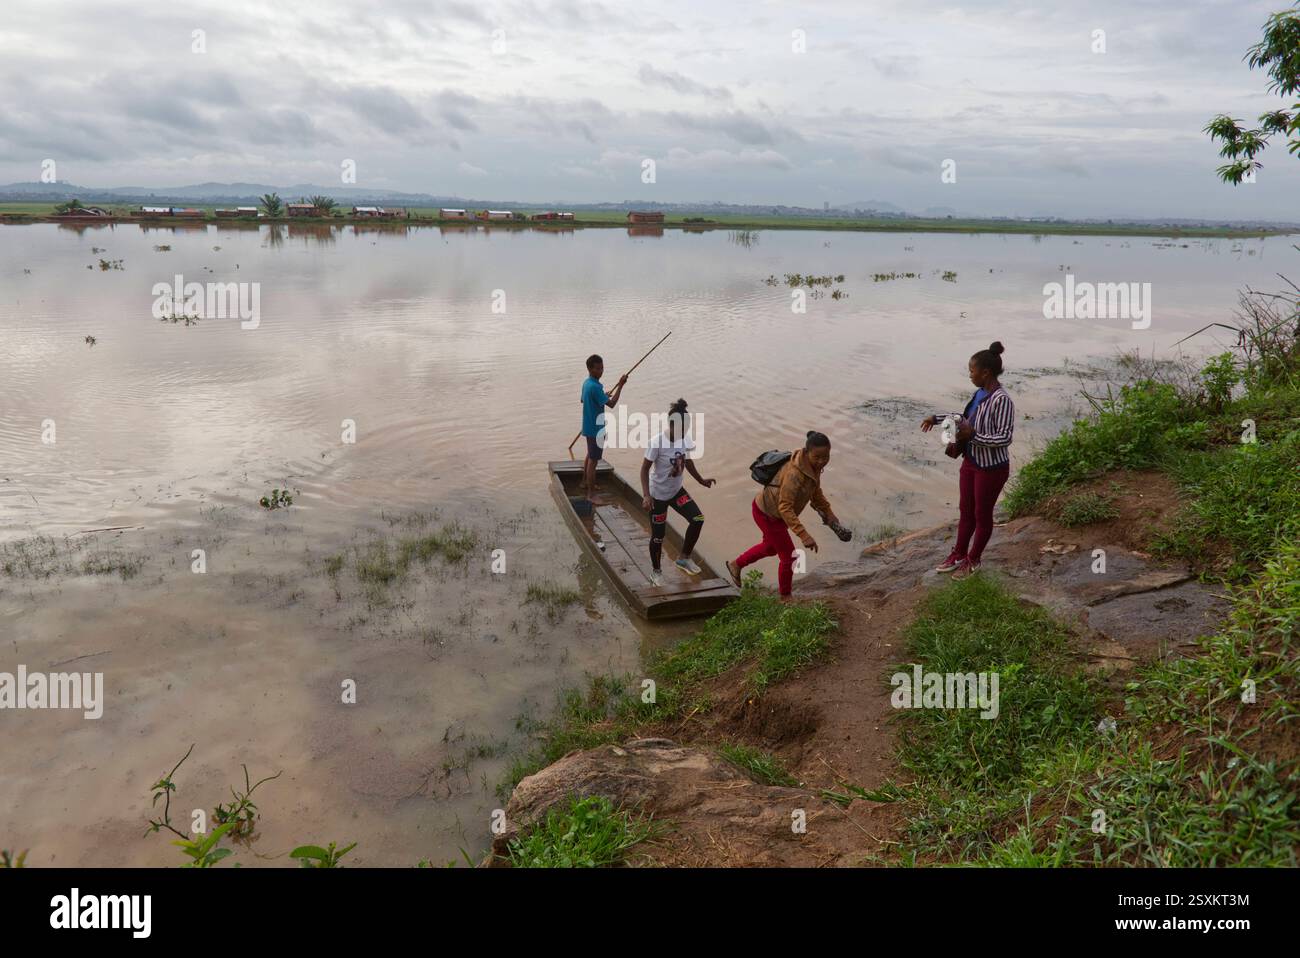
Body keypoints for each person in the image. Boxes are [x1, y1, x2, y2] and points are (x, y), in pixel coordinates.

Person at [920, 341, 1016, 578]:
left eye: (972, 371)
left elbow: (1004, 438)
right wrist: (937, 417)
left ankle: (973, 560)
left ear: (985, 372)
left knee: (982, 515)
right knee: (966, 511)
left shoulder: (1001, 400)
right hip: (971, 462)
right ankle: (959, 554)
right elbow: (964, 418)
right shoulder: (979, 393)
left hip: (991, 468)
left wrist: (973, 435)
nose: (970, 375)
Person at [727, 431, 842, 599]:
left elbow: (816, 494)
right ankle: (785, 597)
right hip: (767, 514)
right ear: (807, 452)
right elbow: (785, 507)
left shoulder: (813, 468)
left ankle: (736, 565)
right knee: (789, 557)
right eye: (817, 457)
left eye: (826, 456)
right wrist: (804, 535)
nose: (822, 461)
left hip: (776, 516)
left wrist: (830, 514)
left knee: (770, 547)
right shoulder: (795, 473)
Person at [639, 398, 716, 587]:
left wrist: (701, 480)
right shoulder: (657, 442)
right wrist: (646, 495)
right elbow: (644, 470)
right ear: (672, 425)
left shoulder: (685, 439)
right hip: (658, 496)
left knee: (697, 519)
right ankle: (656, 572)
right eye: (683, 428)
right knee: (658, 536)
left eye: (687, 428)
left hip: (676, 492)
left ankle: (684, 558)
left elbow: (687, 461)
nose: (686, 431)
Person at [580, 354, 627, 497]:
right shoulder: (594, 387)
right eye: (597, 369)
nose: (601, 371)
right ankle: (591, 494)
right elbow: (612, 404)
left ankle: (585, 482)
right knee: (593, 461)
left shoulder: (587, 383)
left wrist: (602, 395)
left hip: (588, 426)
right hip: (596, 429)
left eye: (602, 368)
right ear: (590, 369)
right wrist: (620, 386)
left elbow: (584, 400)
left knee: (590, 455)